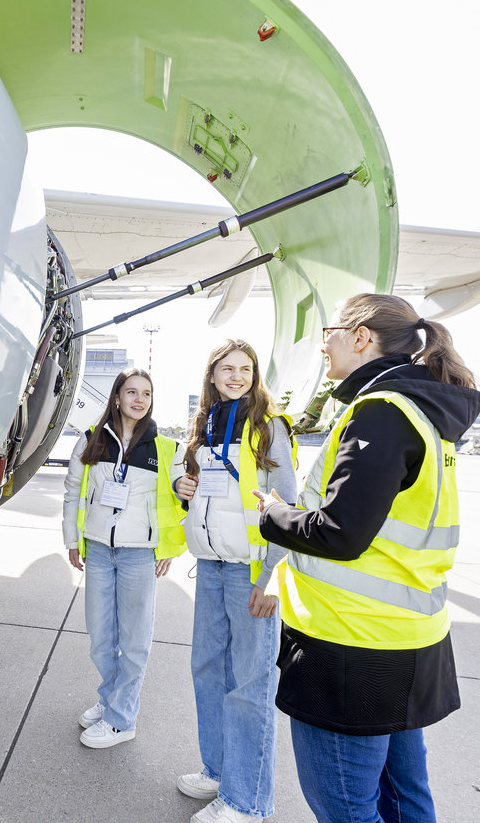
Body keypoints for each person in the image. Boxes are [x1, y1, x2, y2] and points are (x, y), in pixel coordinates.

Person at [254, 294, 480, 823]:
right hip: (405, 640)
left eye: (330, 330)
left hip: (352, 648)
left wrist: (274, 513)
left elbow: (340, 533)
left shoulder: (381, 413)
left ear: (361, 337)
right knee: (405, 799)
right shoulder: (421, 412)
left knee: (346, 808)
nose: (322, 343)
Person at [170, 339, 297, 823]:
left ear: (255, 376)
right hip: (210, 566)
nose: (237, 376)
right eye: (228, 369)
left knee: (250, 685)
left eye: (245, 369)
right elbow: (207, 496)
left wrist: (269, 580)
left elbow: (286, 506)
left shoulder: (268, 429)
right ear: (213, 375)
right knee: (208, 670)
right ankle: (220, 772)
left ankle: (248, 801)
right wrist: (185, 492)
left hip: (250, 572)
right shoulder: (204, 428)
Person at [62, 367, 186, 749]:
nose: (138, 399)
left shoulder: (166, 449)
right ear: (116, 398)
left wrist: (167, 548)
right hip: (98, 549)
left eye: (145, 393)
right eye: (131, 392)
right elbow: (72, 494)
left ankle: (121, 719)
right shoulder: (90, 442)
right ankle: (110, 698)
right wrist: (72, 540)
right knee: (101, 637)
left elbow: (178, 501)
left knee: (134, 640)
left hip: (138, 555)